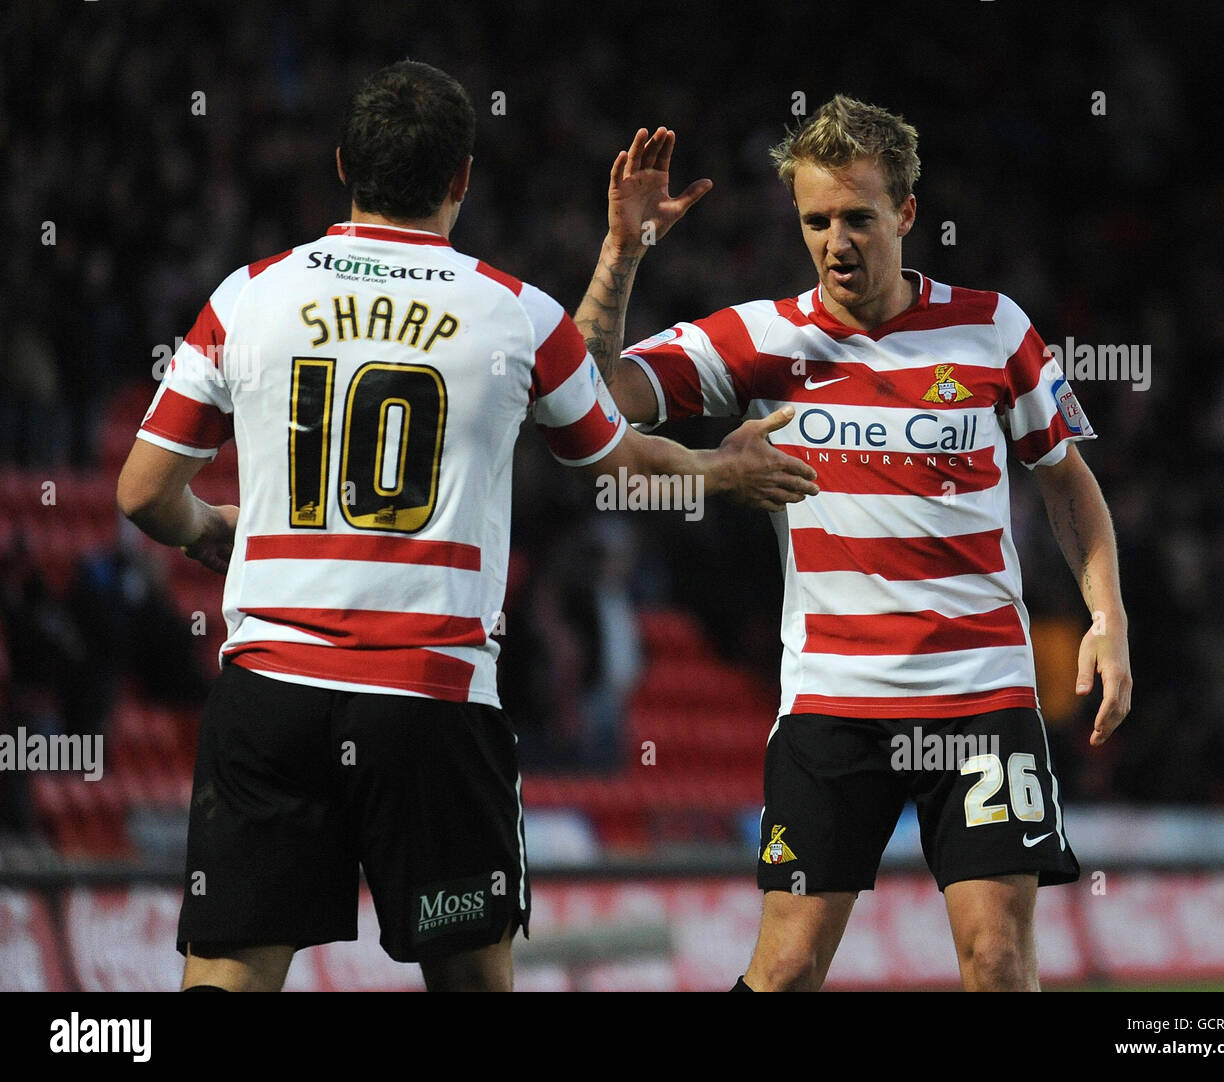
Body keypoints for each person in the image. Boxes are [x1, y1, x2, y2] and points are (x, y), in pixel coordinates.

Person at [115, 60, 817, 992]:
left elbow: (141, 492)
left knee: (228, 981)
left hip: (271, 696)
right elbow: (615, 458)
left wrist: (209, 529)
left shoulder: (247, 296)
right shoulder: (514, 313)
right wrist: (724, 468)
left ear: (341, 167)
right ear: (462, 180)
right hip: (432, 704)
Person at [576, 97, 1132, 991]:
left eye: (859, 218)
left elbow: (1066, 480)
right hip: (834, 698)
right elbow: (592, 393)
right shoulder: (763, 339)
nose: (837, 241)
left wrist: (1107, 616)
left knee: (997, 959)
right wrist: (623, 252)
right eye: (816, 220)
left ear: (906, 215)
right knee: (789, 966)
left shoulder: (994, 330)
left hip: (980, 694)